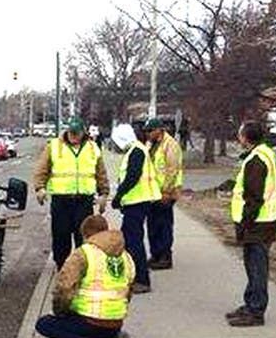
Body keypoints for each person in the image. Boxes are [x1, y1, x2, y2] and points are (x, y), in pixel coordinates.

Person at [35, 214, 134, 338]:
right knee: (100, 327)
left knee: (44, 324)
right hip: (116, 320)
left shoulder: (84, 253)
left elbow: (64, 287)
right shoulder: (126, 256)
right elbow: (129, 290)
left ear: (86, 234)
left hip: (89, 320)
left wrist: (60, 311)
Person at [33, 117, 110, 269]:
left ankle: (83, 267)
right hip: (61, 201)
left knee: (84, 236)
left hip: (84, 201)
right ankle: (62, 265)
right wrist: (39, 188)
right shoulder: (54, 146)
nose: (73, 136)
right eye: (71, 133)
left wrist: (103, 194)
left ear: (83, 132)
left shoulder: (93, 147)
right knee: (61, 236)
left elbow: (101, 173)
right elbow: (42, 169)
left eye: (77, 133)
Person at [227, 119, 276, 327]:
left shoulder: (256, 161)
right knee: (253, 266)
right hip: (264, 220)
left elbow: (254, 196)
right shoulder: (264, 153)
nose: (238, 137)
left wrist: (244, 223)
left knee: (257, 267)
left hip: (257, 222)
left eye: (240, 134)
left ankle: (256, 310)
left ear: (246, 137)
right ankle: (250, 304)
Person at [109, 122, 160, 293]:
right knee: (130, 240)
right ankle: (135, 276)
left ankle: (142, 279)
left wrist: (118, 196)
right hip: (136, 202)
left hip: (137, 202)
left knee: (133, 241)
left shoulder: (136, 151)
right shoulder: (135, 150)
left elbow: (132, 177)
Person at [144, 118, 184, 270]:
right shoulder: (151, 144)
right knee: (152, 225)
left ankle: (165, 256)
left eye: (150, 131)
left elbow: (172, 170)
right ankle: (155, 254)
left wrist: (166, 191)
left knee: (163, 225)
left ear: (159, 130)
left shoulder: (170, 145)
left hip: (165, 193)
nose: (148, 134)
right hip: (152, 192)